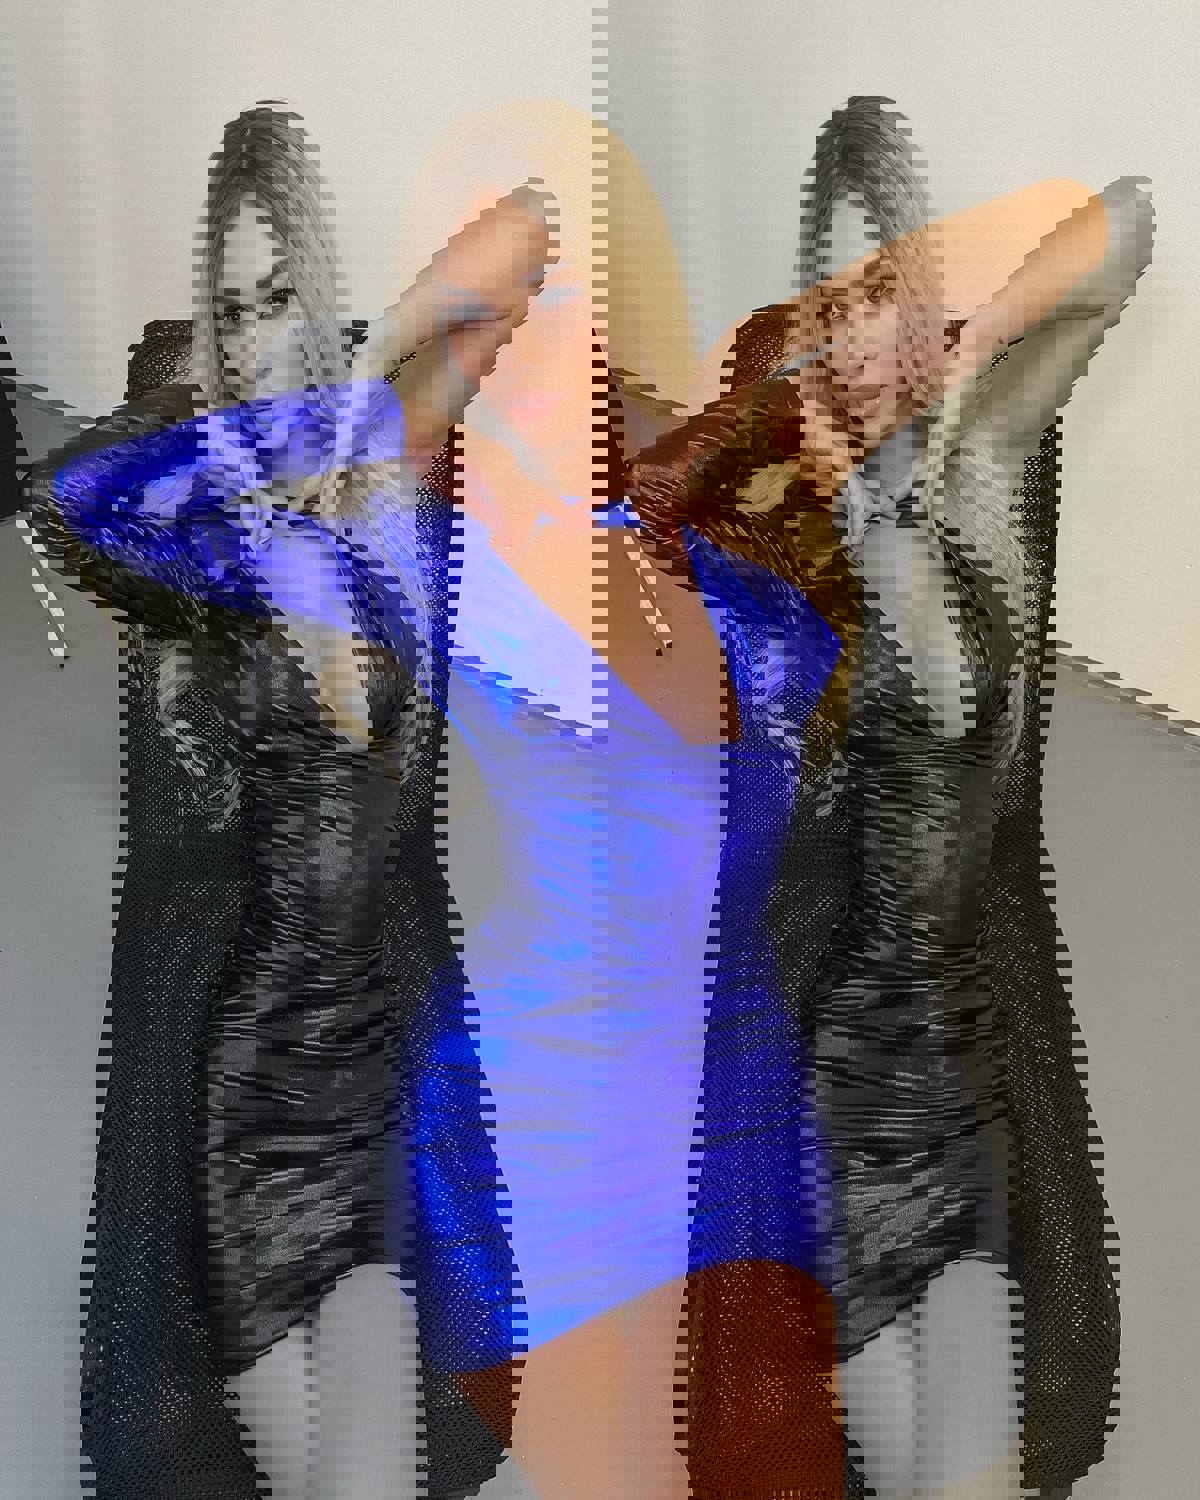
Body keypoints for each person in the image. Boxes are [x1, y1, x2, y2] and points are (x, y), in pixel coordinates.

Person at [626, 95, 1152, 1499]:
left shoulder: (983, 453)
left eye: (884, 295)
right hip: (832, 1108)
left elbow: (1123, 222)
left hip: (965, 1084)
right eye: (835, 303)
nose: (859, 337)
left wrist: (967, 354)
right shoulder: (788, 526)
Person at [25, 102, 553, 1500]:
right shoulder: (209, 543)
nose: (257, 332)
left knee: (371, 1449)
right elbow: (65, 503)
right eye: (233, 308)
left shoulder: (391, 468)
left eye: (280, 297)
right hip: (264, 1094)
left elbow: (528, 232)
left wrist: (356, 387)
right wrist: (225, 427)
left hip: (388, 1065)